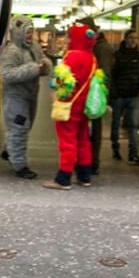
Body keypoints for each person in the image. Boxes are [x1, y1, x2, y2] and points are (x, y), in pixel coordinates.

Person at [43, 23, 98, 190]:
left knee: (67, 141)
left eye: (69, 36)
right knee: (83, 140)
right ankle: (84, 176)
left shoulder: (72, 56)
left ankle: (63, 178)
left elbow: (61, 81)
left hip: (69, 106)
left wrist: (54, 93)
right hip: (84, 106)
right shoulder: (92, 57)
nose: (66, 39)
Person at [0, 15, 51, 179]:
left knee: (23, 127)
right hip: (16, 98)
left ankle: (10, 150)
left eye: (32, 32)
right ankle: (19, 165)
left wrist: (45, 66)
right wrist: (34, 68)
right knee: (19, 129)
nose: (30, 35)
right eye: (27, 32)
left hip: (31, 95)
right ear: (18, 33)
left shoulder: (34, 47)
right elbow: (6, 75)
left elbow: (43, 60)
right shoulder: (10, 51)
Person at [109, 29, 139, 166]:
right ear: (125, 39)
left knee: (133, 125)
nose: (133, 40)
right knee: (115, 123)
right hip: (119, 95)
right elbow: (111, 75)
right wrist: (113, 93)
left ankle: (133, 154)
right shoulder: (117, 56)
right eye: (131, 38)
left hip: (134, 95)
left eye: (136, 38)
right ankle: (115, 146)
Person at [88, 29, 115, 175]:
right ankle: (89, 161)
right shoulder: (97, 47)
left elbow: (105, 73)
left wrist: (102, 94)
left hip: (95, 95)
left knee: (94, 129)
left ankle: (93, 162)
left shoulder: (102, 49)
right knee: (90, 129)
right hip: (93, 94)